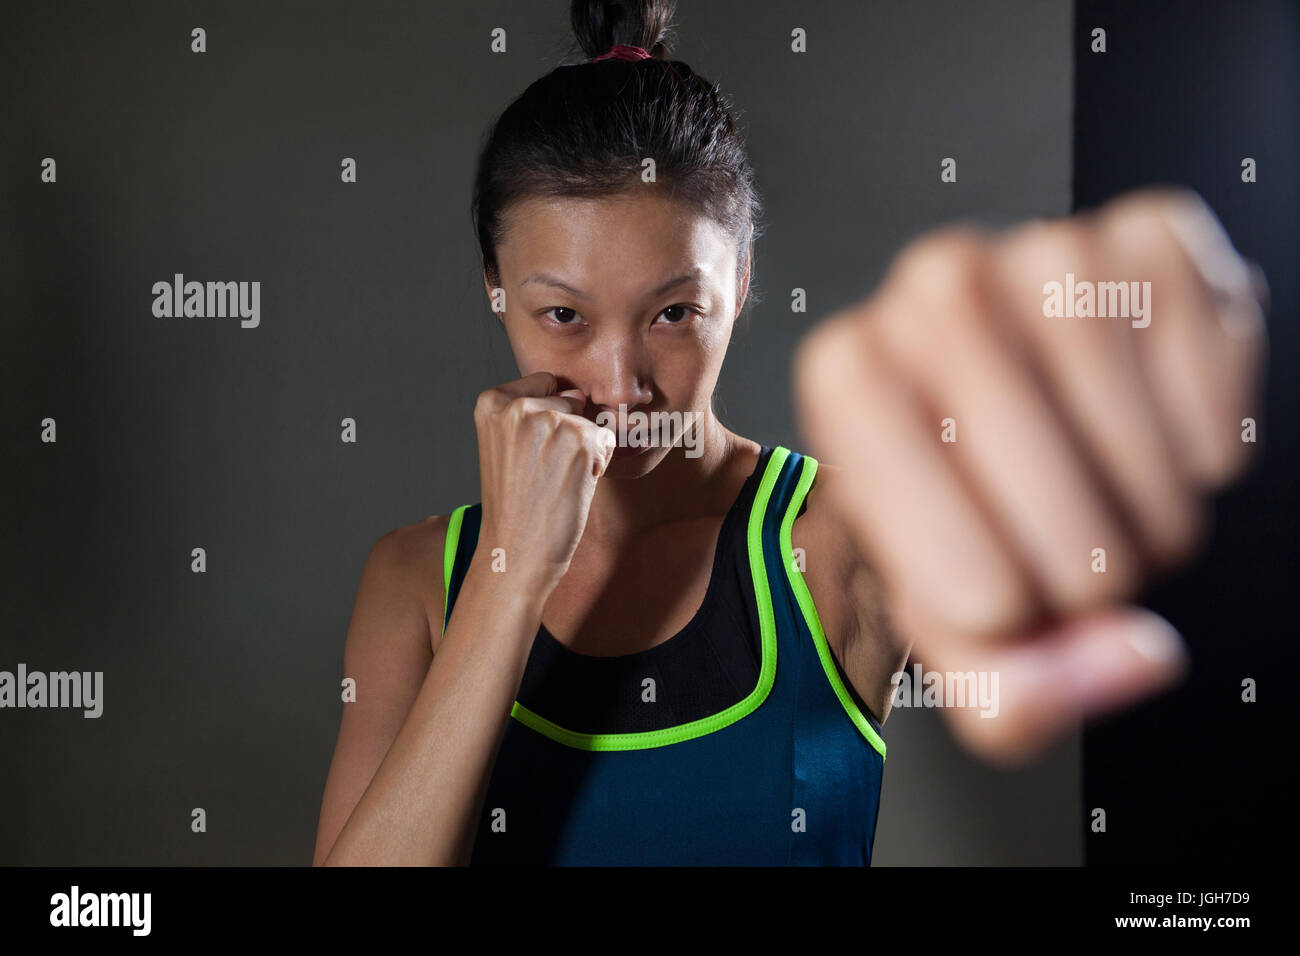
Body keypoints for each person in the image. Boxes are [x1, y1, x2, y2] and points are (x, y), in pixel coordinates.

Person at [312, 0, 1268, 866]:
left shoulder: (840, 537)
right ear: (494, 286)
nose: (620, 384)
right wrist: (511, 571)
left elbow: (1025, 512)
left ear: (744, 282)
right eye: (562, 316)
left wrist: (1103, 367)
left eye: (674, 313)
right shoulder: (415, 583)